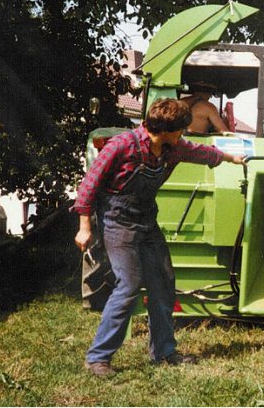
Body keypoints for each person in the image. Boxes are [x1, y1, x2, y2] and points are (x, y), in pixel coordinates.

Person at [72, 98, 245, 377]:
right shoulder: (122, 146)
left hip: (147, 222)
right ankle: (98, 358)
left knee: (163, 283)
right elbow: (89, 185)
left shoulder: (172, 147)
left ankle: (164, 352)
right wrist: (84, 226)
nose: (183, 135)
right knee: (128, 285)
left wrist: (232, 158)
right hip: (118, 223)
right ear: (168, 129)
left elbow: (201, 152)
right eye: (181, 130)